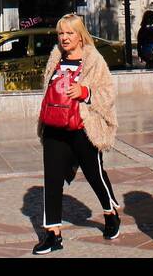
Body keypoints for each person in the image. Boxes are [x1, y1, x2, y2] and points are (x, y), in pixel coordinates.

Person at [33, 14, 120, 255]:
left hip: (83, 126)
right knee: (52, 179)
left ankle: (110, 212)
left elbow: (108, 93)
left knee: (94, 174)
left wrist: (84, 91)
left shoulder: (94, 59)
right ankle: (52, 233)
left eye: (69, 33)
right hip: (54, 126)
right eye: (61, 33)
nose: (64, 38)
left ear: (80, 35)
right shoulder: (55, 57)